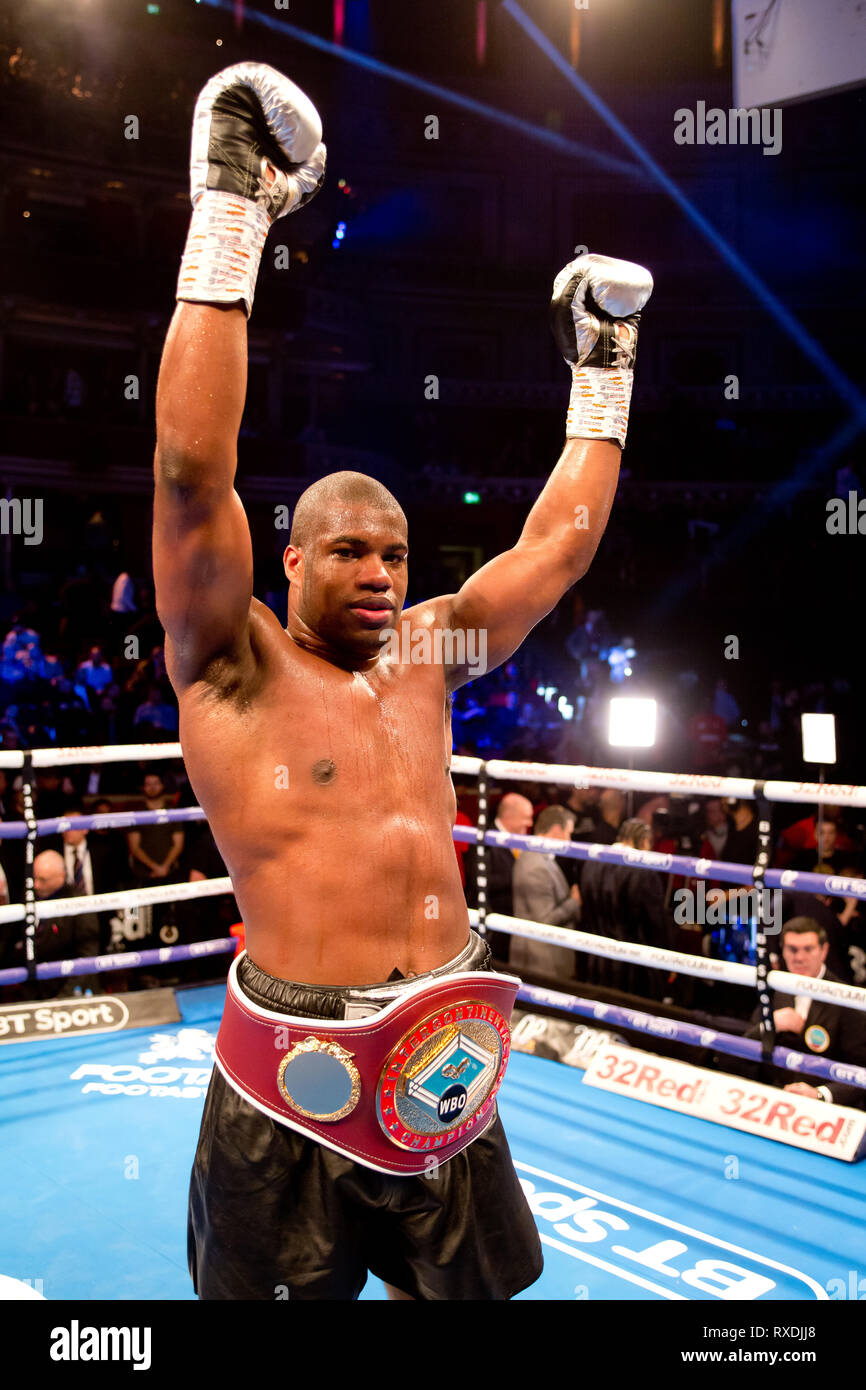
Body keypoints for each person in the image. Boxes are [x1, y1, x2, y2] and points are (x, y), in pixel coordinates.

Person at [154, 63, 651, 1301]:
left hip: (441, 1064)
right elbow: (185, 470)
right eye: (350, 554)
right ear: (293, 557)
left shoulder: (429, 650)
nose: (380, 576)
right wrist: (233, 211)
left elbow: (558, 549)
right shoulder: (235, 663)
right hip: (290, 1076)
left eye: (395, 555)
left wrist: (602, 366)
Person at [743, 918, 866, 1108]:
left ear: (823, 951)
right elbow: (741, 1049)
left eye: (808, 949)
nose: (799, 957)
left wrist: (820, 1094)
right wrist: (770, 1024)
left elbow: (861, 1071)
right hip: (771, 1100)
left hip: (824, 1110)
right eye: (792, 949)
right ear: (783, 951)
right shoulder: (774, 988)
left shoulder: (845, 999)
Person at [510, 804, 581, 980]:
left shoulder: (539, 857)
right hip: (541, 962)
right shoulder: (535, 865)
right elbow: (544, 919)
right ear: (556, 830)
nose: (569, 840)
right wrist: (574, 902)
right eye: (568, 833)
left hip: (544, 958)